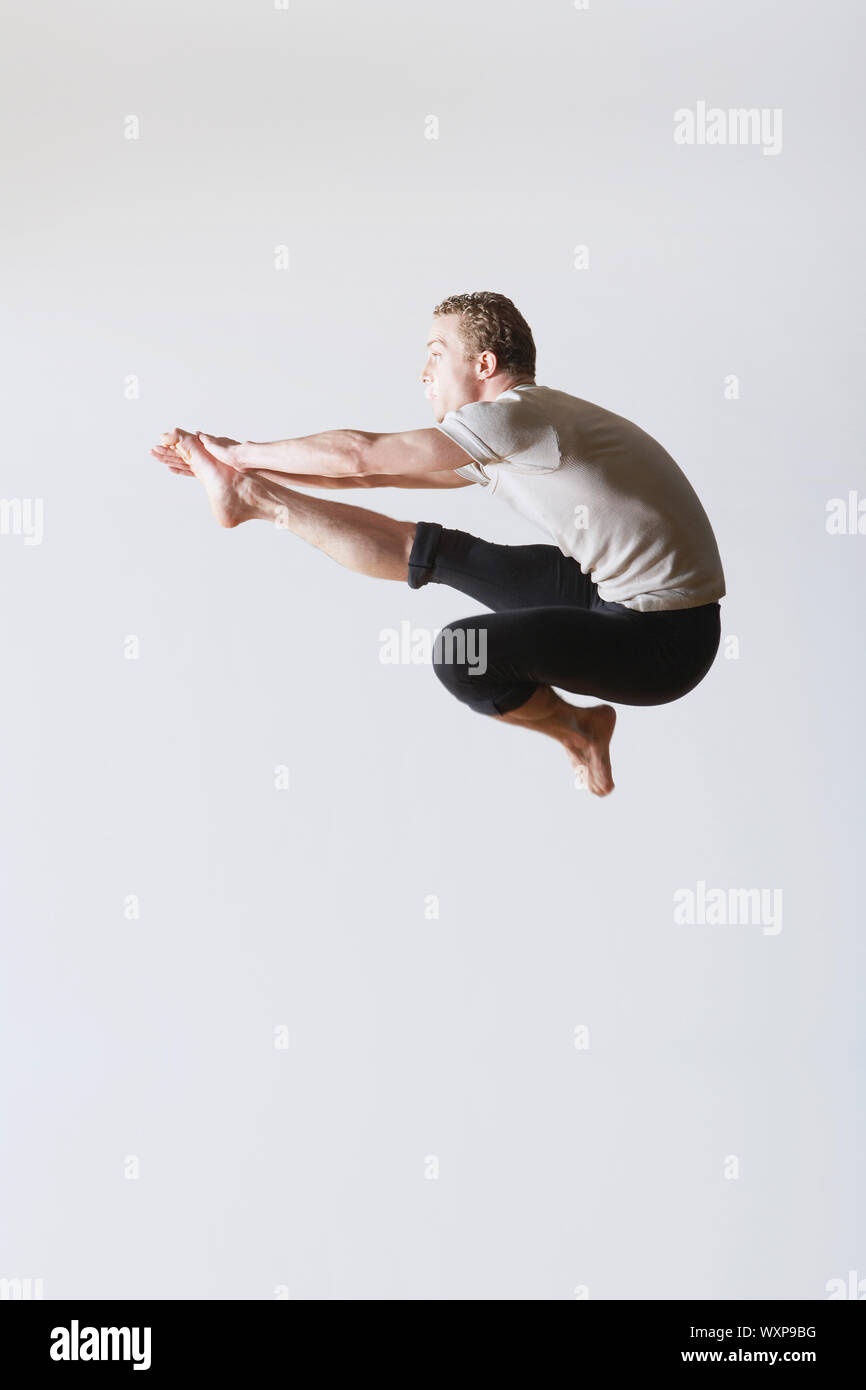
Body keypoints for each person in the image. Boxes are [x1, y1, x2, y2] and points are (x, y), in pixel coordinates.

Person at [151, 291, 725, 796]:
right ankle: (251, 497)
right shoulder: (514, 434)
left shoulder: (515, 418)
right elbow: (370, 475)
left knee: (461, 653)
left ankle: (577, 728)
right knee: (434, 551)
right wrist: (240, 470)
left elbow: (360, 454)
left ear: (484, 364)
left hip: (663, 642)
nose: (423, 373)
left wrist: (238, 451)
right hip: (614, 598)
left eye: (435, 353)